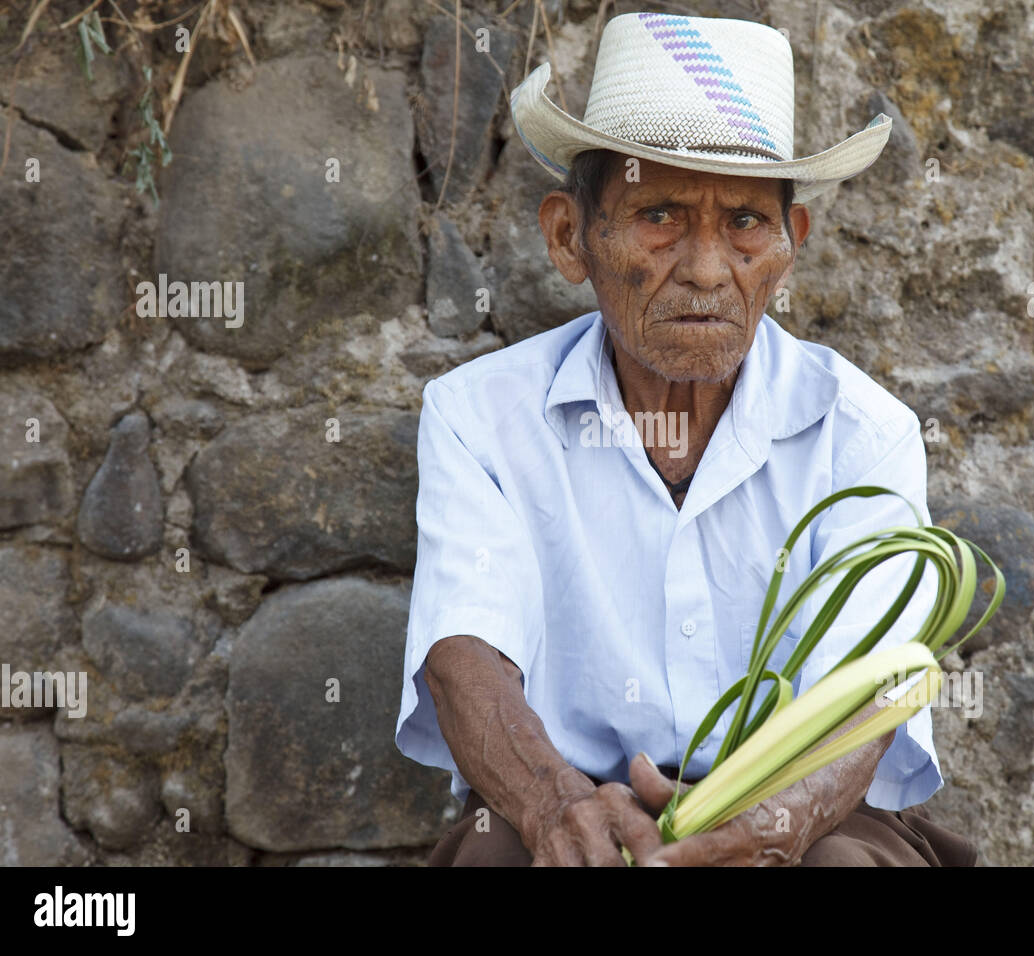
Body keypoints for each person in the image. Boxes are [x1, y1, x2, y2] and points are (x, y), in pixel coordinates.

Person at [395, 11, 977, 867]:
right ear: (570, 236)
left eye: (745, 221)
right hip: (569, 792)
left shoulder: (862, 432)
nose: (707, 270)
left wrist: (772, 825)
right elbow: (463, 656)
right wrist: (555, 807)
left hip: (806, 812)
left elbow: (873, 689)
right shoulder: (480, 417)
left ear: (789, 247)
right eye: (659, 215)